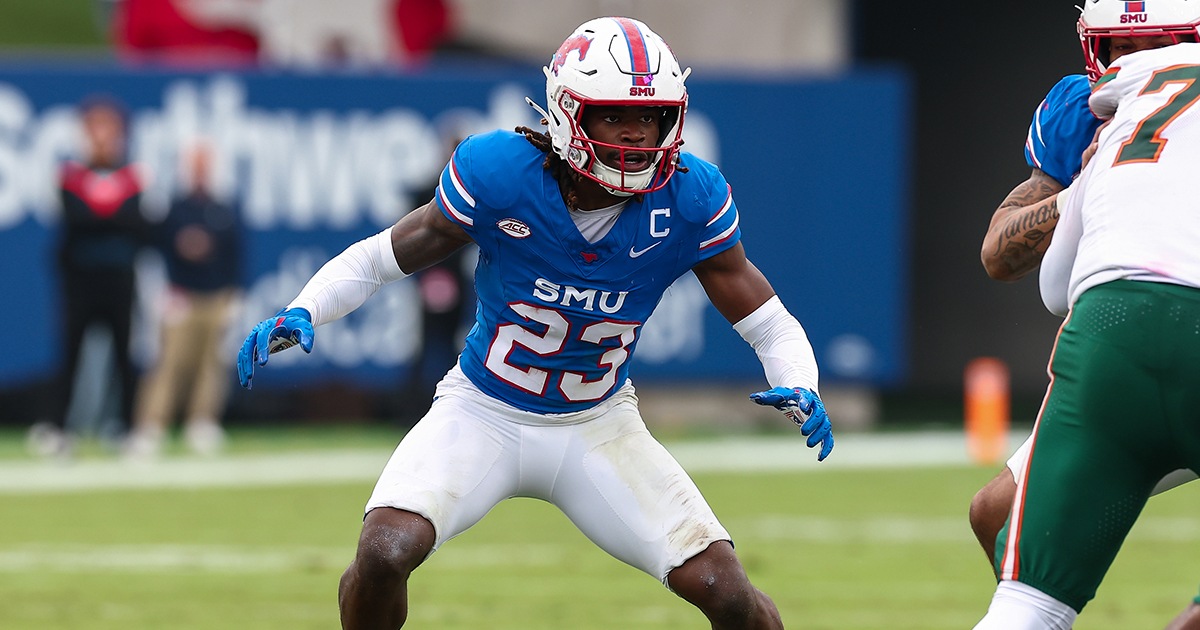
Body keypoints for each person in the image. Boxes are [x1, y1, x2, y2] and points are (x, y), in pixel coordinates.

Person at [236, 17, 834, 629]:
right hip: (482, 411)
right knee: (384, 551)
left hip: (597, 424)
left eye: (650, 117)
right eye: (614, 116)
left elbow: (766, 319)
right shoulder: (502, 173)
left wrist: (800, 380)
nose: (637, 135)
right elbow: (382, 255)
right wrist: (306, 307)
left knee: (726, 591)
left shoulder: (687, 196)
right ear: (568, 115)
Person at [972, 4, 1200, 626]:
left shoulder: (1114, 100)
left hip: (1110, 332)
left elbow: (1052, 287)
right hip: (1133, 337)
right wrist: (1091, 190)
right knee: (997, 512)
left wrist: (1098, 181)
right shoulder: (1091, 107)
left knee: (1027, 603)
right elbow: (999, 253)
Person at [29, 96, 149, 457]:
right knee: (71, 356)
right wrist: (107, 214)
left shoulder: (134, 177)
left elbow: (138, 226)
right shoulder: (70, 177)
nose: (101, 137)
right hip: (80, 282)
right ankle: (59, 429)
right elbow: (75, 221)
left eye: (108, 129)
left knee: (123, 356)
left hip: (120, 280)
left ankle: (128, 429)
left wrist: (103, 214)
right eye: (94, 129)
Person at [126, 141, 241, 458]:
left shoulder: (223, 208)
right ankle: (151, 425)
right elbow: (155, 245)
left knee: (211, 366)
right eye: (196, 165)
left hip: (216, 296)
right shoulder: (175, 208)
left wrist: (233, 294)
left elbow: (236, 254)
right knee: (168, 364)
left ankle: (201, 423)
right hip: (182, 296)